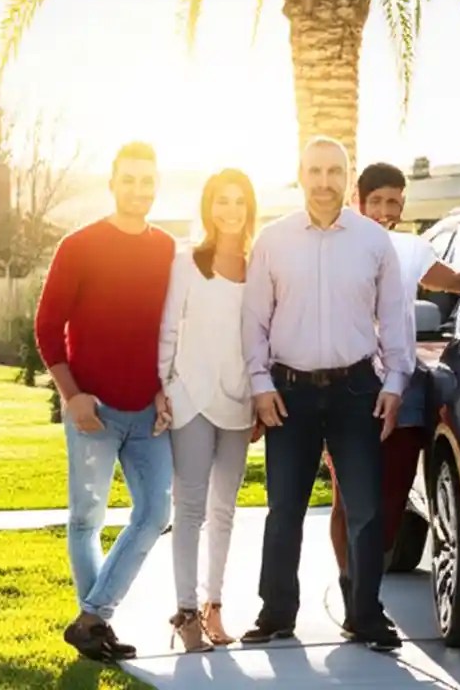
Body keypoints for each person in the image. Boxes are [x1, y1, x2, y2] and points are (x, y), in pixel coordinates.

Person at [240, 137, 414, 652]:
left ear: (347, 177)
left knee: (365, 509)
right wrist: (260, 384)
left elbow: (395, 319)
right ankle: (276, 613)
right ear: (301, 175)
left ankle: (364, 615)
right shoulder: (273, 240)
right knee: (284, 509)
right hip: (288, 392)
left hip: (356, 390)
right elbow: (254, 321)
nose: (323, 181)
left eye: (333, 171)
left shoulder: (373, 241)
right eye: (314, 171)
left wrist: (395, 384)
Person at [325, 163, 460, 636]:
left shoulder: (411, 250)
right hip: (346, 390)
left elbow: (451, 280)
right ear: (358, 201)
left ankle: (367, 593)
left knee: (389, 501)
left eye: (393, 201)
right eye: (376, 201)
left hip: (402, 389)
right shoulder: (333, 248)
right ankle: (355, 597)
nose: (384, 211)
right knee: (349, 501)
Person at [34, 141, 176, 662]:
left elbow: (171, 327)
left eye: (147, 180)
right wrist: (72, 396)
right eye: (129, 179)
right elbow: (47, 327)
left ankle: (92, 616)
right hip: (92, 412)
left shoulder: (168, 250)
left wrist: (165, 386)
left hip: (148, 413)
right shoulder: (79, 246)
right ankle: (96, 628)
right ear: (112, 183)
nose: (138, 189)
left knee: (155, 512)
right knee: (85, 521)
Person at [157, 169, 261, 652]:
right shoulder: (187, 263)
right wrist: (164, 386)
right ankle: (185, 613)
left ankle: (213, 606)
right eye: (222, 201)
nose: (230, 211)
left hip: (240, 402)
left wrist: (261, 396)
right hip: (193, 399)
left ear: (250, 208)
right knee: (190, 508)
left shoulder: (258, 267)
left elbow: (264, 337)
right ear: (208, 207)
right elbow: (168, 330)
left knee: (224, 510)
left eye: (239, 201)